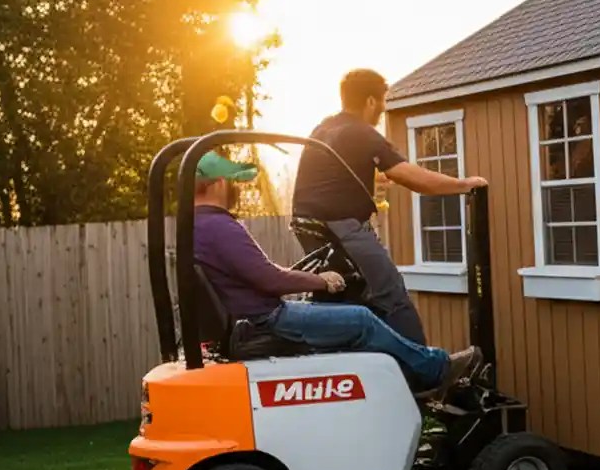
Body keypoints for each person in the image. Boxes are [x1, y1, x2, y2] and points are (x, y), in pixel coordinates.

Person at [191, 150, 480, 398]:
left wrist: (300, 277)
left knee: (339, 316)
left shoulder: (194, 227)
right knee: (361, 319)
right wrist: (322, 280)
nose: (236, 189)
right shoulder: (220, 227)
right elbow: (269, 280)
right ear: (219, 183)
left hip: (250, 319)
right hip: (267, 320)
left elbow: (259, 274)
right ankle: (435, 370)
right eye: (233, 182)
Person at [292, 68, 486, 346]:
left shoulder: (324, 128)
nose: (383, 109)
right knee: (391, 296)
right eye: (382, 101)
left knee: (346, 295)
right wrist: (464, 184)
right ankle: (425, 371)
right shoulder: (361, 132)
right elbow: (415, 179)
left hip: (310, 227)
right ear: (371, 101)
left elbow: (329, 176)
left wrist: (373, 177)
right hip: (342, 226)